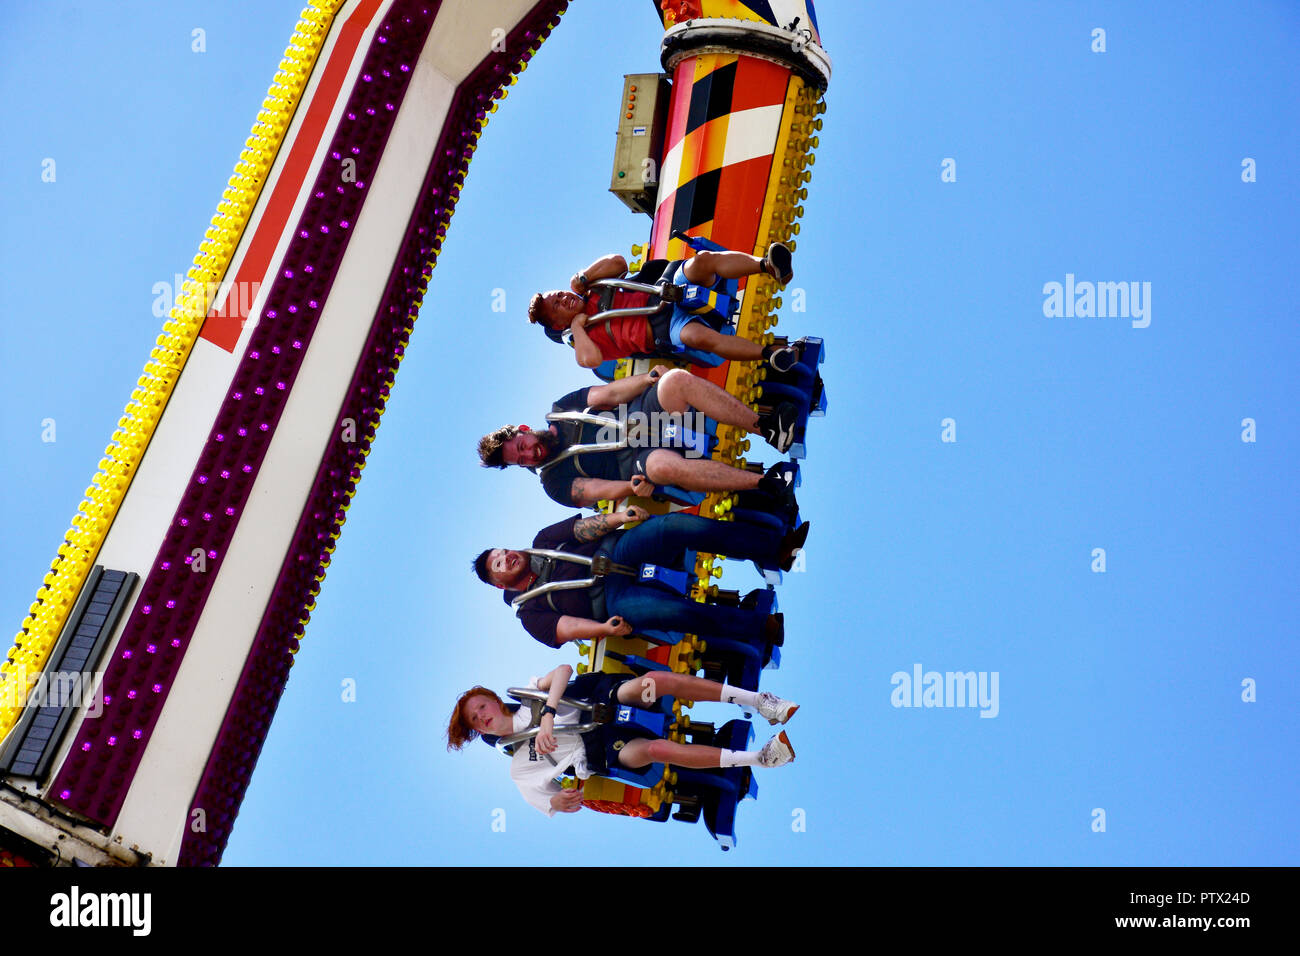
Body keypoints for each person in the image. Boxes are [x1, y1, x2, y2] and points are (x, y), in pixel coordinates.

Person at [446, 662, 797, 816]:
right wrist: (561, 801)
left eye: (481, 707)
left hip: (598, 701)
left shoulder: (527, 694)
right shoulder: (520, 768)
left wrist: (549, 714)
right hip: (598, 748)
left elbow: (564, 671)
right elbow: (548, 801)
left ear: (493, 700)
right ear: (479, 732)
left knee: (654, 681)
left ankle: (757, 701)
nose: (483, 717)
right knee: (656, 750)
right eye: (476, 721)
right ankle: (759, 758)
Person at [472, 506, 809, 649]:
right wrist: (604, 629)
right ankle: (761, 628)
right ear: (500, 583)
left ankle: (774, 550)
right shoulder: (530, 615)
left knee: (673, 526)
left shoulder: (543, 542)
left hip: (616, 552)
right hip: (611, 601)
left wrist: (622, 516)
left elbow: (583, 527)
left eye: (503, 552)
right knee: (672, 612)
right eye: (499, 565)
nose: (507, 558)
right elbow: (567, 629)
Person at [476, 364, 800, 510]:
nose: (529, 455)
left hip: (640, 418)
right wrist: (631, 487)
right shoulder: (553, 482)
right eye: (521, 460)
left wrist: (649, 378)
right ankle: (766, 485)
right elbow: (594, 489)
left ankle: (769, 429)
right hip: (634, 460)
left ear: (521, 430)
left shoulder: (562, 409)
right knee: (658, 467)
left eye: (521, 447)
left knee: (675, 381)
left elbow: (611, 392)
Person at [528, 243, 803, 371]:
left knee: (702, 261)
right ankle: (769, 355)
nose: (564, 298)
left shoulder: (594, 288)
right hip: (663, 326)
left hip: (665, 288)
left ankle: (766, 265)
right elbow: (591, 361)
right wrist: (578, 327)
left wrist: (583, 276)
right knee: (696, 337)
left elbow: (619, 262)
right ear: (557, 324)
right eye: (557, 305)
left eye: (560, 294)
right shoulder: (582, 339)